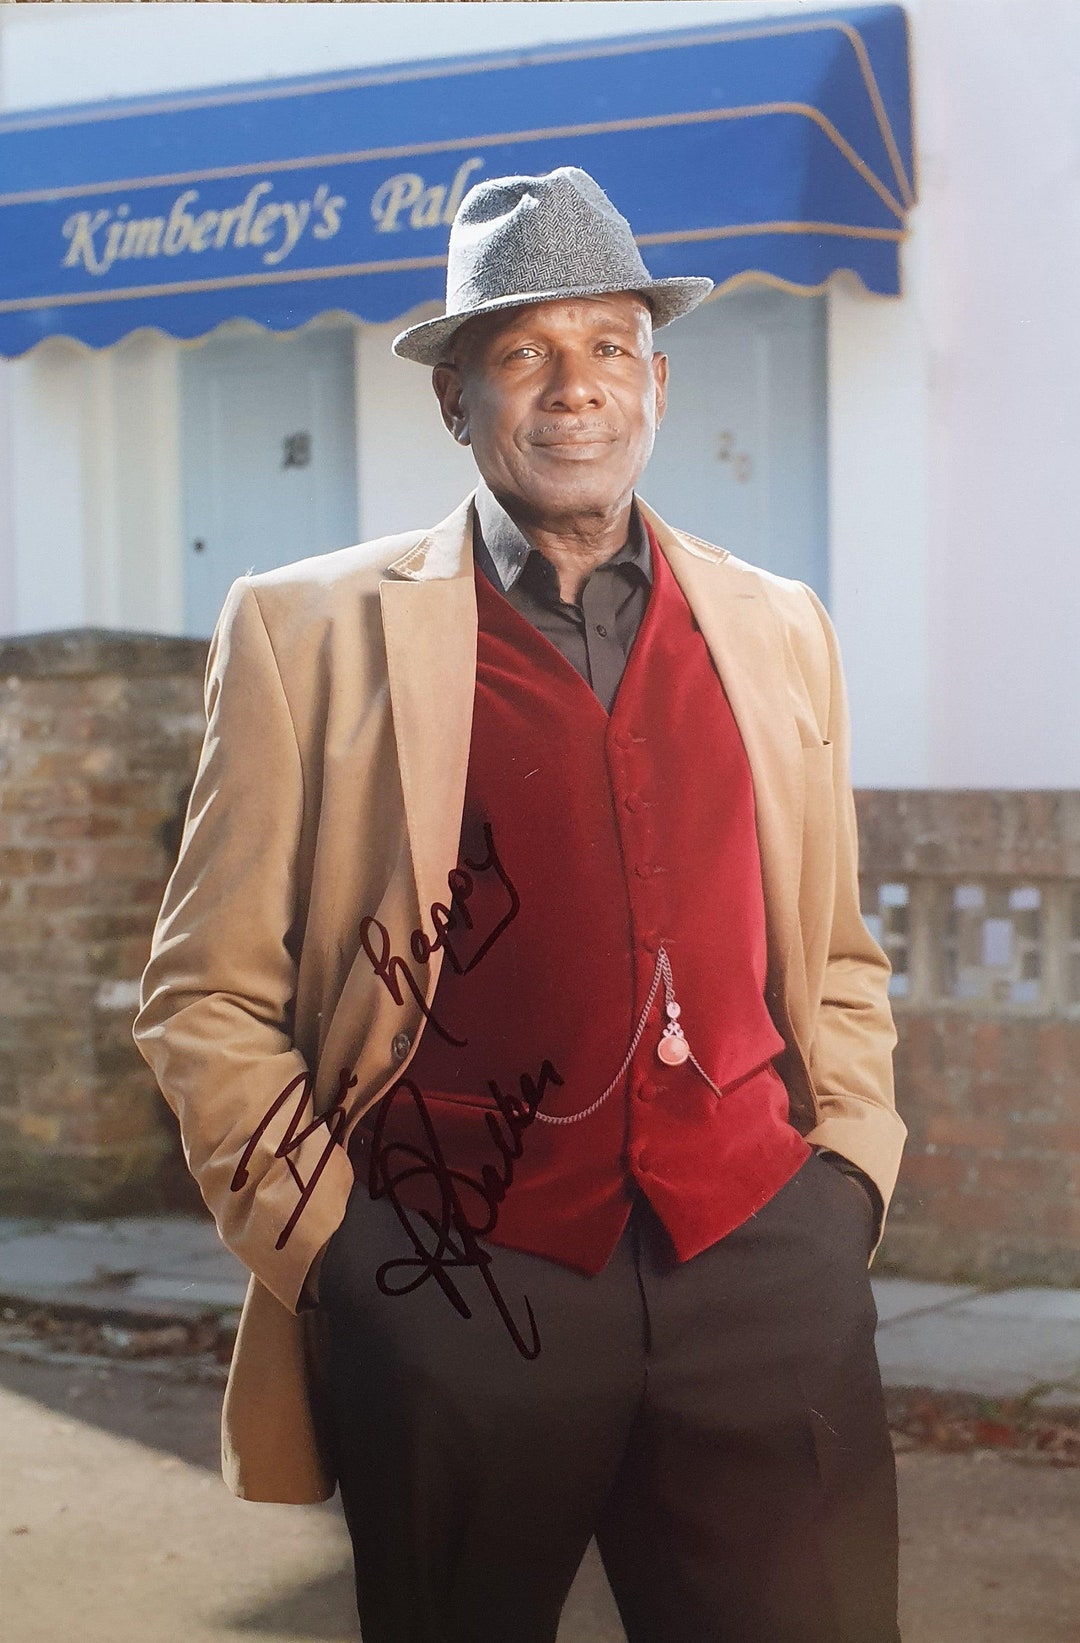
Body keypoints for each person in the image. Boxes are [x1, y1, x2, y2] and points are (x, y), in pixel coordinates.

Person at [134, 166, 906, 1643]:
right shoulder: (305, 635)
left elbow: (834, 954)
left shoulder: (780, 626)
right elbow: (206, 997)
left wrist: (844, 1184)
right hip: (456, 1288)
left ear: (658, 382)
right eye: (523, 354)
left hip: (763, 1270)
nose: (574, 391)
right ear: (456, 400)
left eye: (609, 347)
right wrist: (350, 1265)